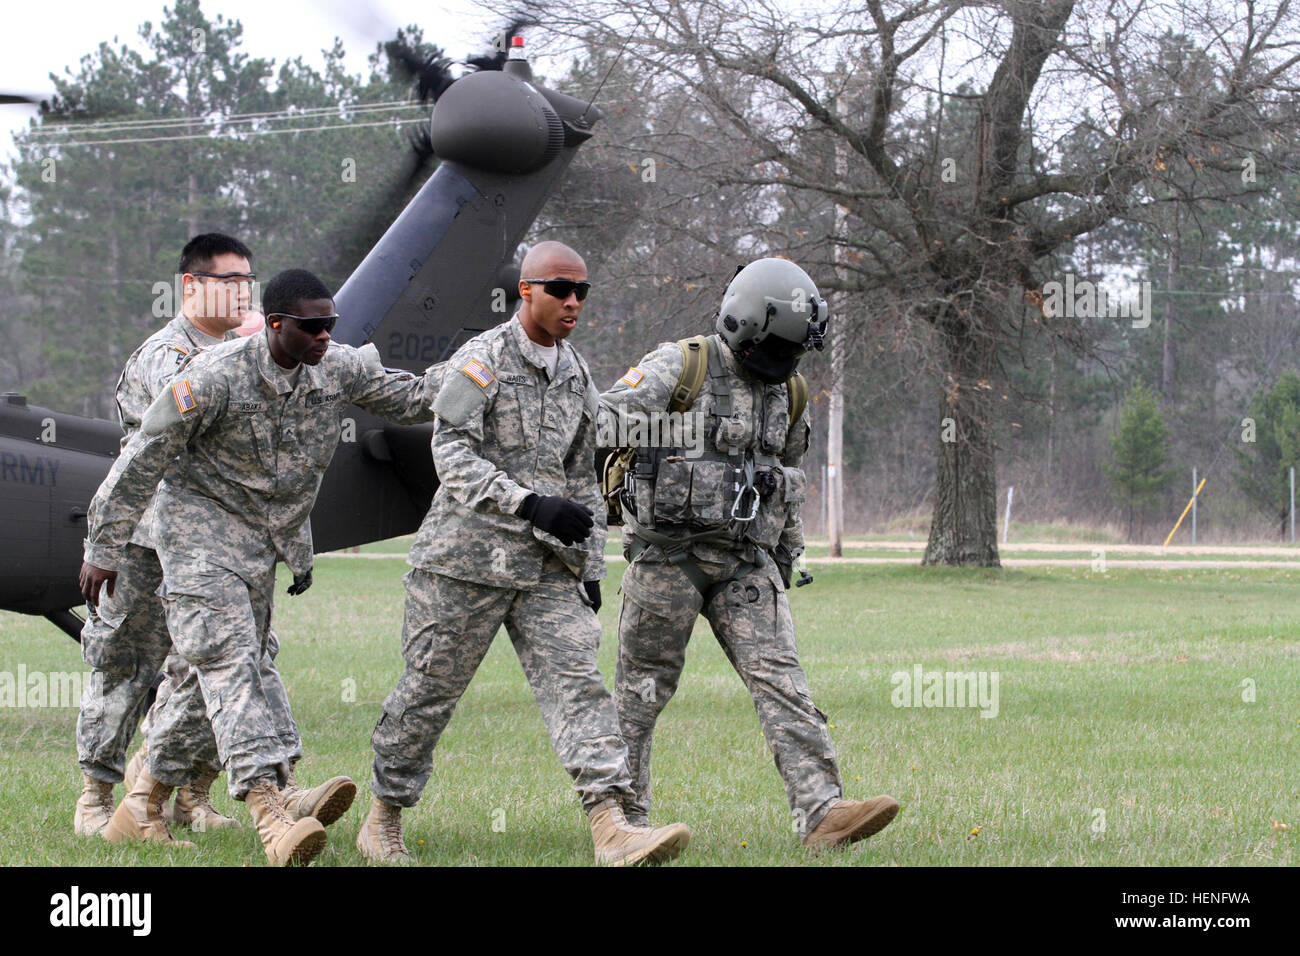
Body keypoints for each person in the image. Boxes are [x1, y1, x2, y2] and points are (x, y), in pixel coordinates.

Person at [80, 268, 440, 865]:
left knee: (204, 681)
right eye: (312, 326)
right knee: (228, 660)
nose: (326, 335)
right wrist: (104, 544)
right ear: (275, 325)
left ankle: (144, 801)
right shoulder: (214, 377)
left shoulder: (335, 366)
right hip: (196, 535)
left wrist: (488, 370)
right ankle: (270, 809)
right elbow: (143, 455)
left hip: (260, 544)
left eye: (332, 324)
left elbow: (409, 397)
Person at [360, 241, 690, 867]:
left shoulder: (575, 371)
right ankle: (382, 819)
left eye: (582, 292)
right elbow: (450, 454)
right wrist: (528, 504)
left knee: (580, 685)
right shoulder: (481, 359)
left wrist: (590, 561)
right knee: (428, 693)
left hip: (545, 570)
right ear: (526, 291)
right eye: (560, 288)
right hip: (462, 566)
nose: (573, 302)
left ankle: (611, 828)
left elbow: (584, 473)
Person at [599, 257, 900, 850]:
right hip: (667, 560)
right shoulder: (680, 366)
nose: (782, 363)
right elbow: (604, 422)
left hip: (746, 563)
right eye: (774, 349)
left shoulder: (789, 390)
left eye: (793, 353)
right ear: (742, 323)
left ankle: (822, 812)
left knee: (783, 683)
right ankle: (626, 826)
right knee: (640, 694)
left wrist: (787, 559)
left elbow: (785, 476)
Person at [75, 233, 319, 837]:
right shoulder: (166, 355)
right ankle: (97, 795)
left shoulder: (251, 356)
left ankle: (194, 792)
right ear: (191, 287)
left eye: (248, 281)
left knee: (224, 663)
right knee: (123, 662)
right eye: (228, 281)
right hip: (146, 539)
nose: (243, 292)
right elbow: (175, 416)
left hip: (211, 543)